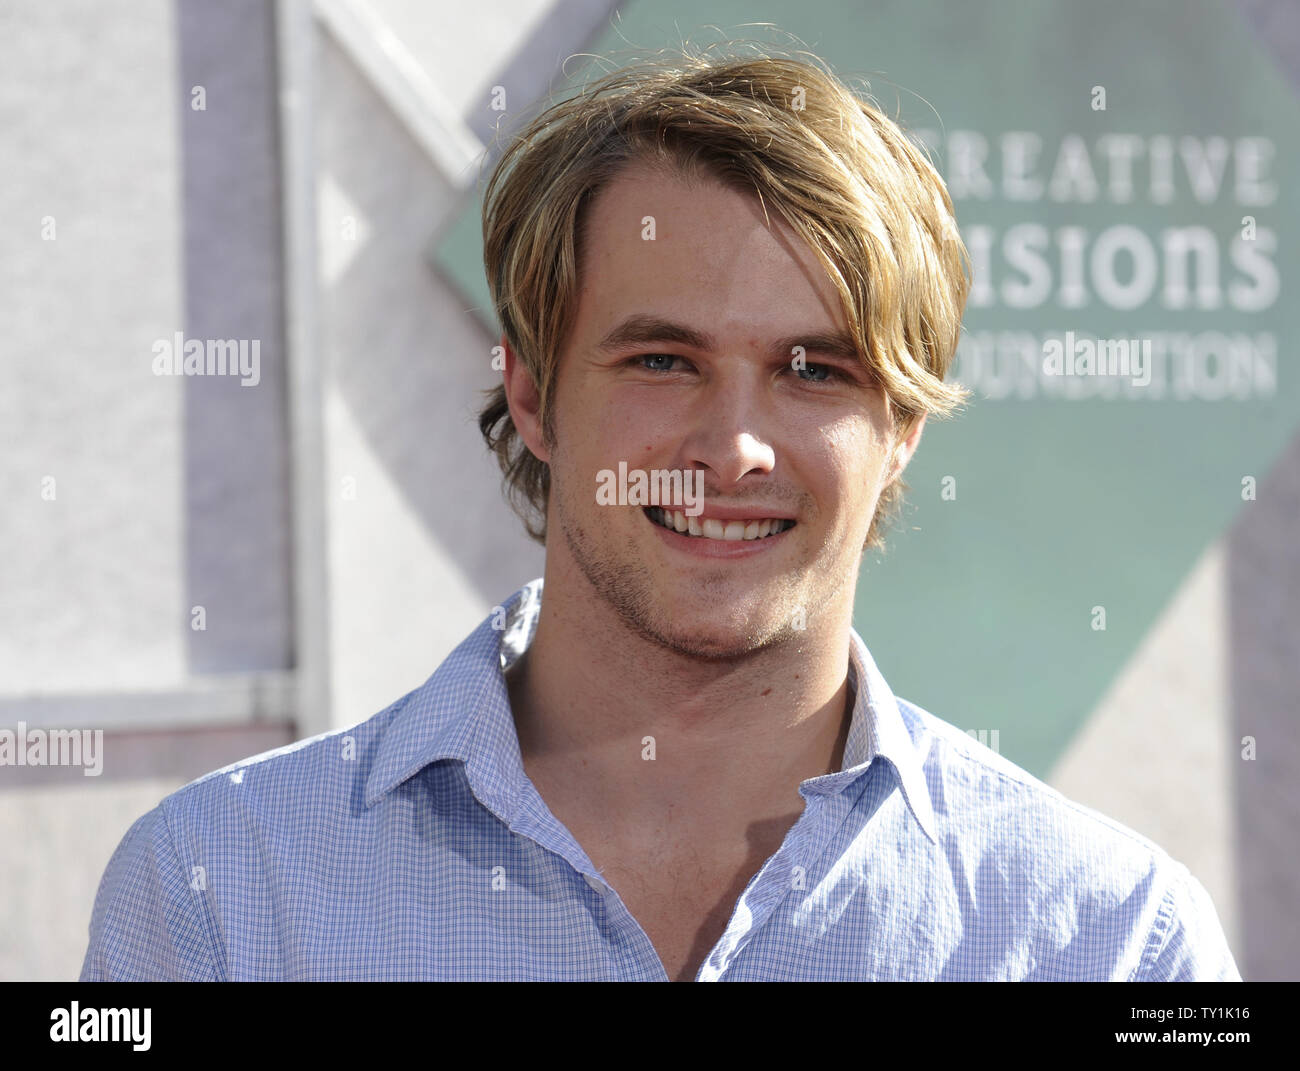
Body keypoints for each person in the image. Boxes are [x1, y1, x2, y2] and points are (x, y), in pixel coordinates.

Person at [81, 47, 1240, 982]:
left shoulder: (1111, 943)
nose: (731, 448)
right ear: (533, 397)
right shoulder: (222, 895)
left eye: (814, 370)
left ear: (902, 432)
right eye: (662, 361)